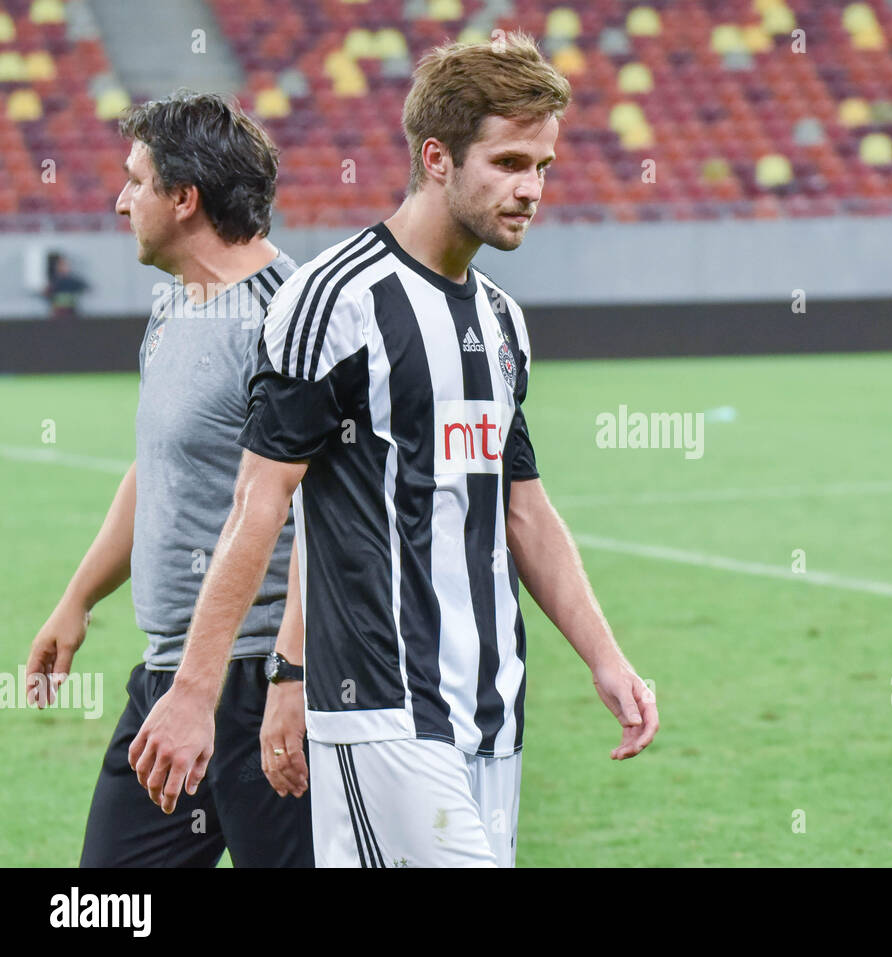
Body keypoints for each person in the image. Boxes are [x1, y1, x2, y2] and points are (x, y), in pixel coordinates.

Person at [127, 32, 659, 868]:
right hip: (380, 712)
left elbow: (522, 508)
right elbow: (259, 503)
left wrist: (607, 658)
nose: (530, 190)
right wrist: (197, 691)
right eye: (511, 162)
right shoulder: (329, 302)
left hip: (492, 711)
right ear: (438, 157)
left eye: (544, 167)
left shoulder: (500, 320)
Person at [25, 91, 313, 867]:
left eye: (135, 181)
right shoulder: (172, 308)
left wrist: (292, 673)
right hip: (167, 679)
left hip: (262, 691)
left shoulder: (289, 319)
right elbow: (154, 468)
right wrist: (77, 599)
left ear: (184, 198)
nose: (121, 201)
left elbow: (322, 514)